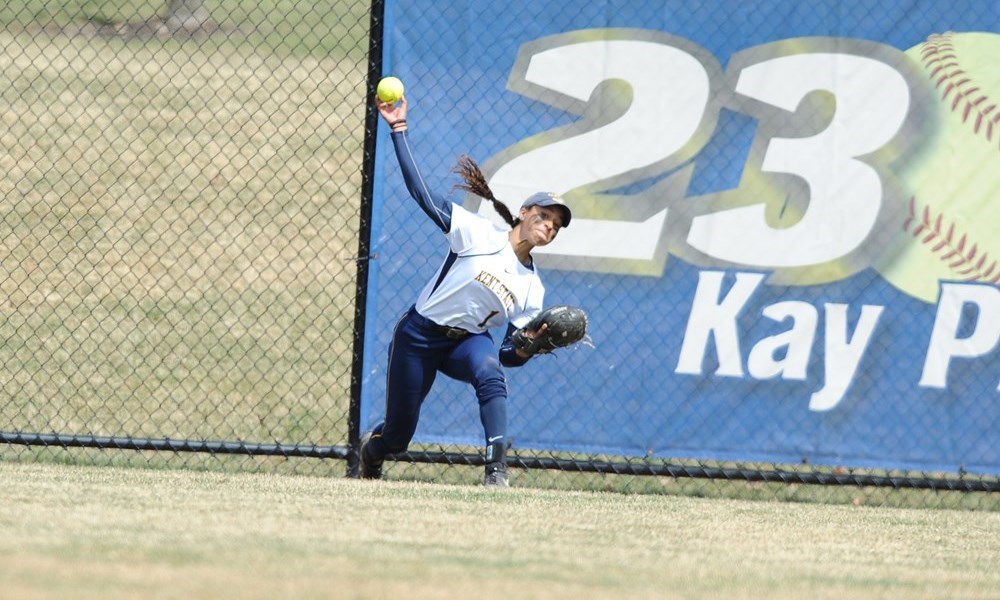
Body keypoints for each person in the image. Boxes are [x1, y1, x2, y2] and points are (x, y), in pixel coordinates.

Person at [360, 93, 572, 487]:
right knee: (399, 435)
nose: (549, 226)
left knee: (491, 372)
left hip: (467, 342)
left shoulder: (532, 287)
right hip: (419, 335)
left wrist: (527, 346)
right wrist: (398, 129)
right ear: (524, 213)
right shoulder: (476, 232)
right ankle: (371, 452)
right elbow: (422, 192)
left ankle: (496, 471)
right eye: (544, 216)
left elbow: (507, 354)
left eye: (556, 225)